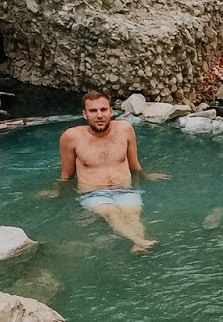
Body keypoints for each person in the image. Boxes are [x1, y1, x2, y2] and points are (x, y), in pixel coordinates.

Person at [44, 90, 167, 252]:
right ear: (84, 114)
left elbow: (134, 164)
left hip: (124, 189)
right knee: (111, 214)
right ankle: (140, 240)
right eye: (93, 111)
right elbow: (67, 174)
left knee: (132, 215)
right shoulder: (71, 137)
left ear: (111, 111)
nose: (99, 115)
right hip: (93, 193)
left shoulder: (125, 129)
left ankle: (138, 245)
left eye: (103, 110)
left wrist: (146, 176)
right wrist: (57, 190)